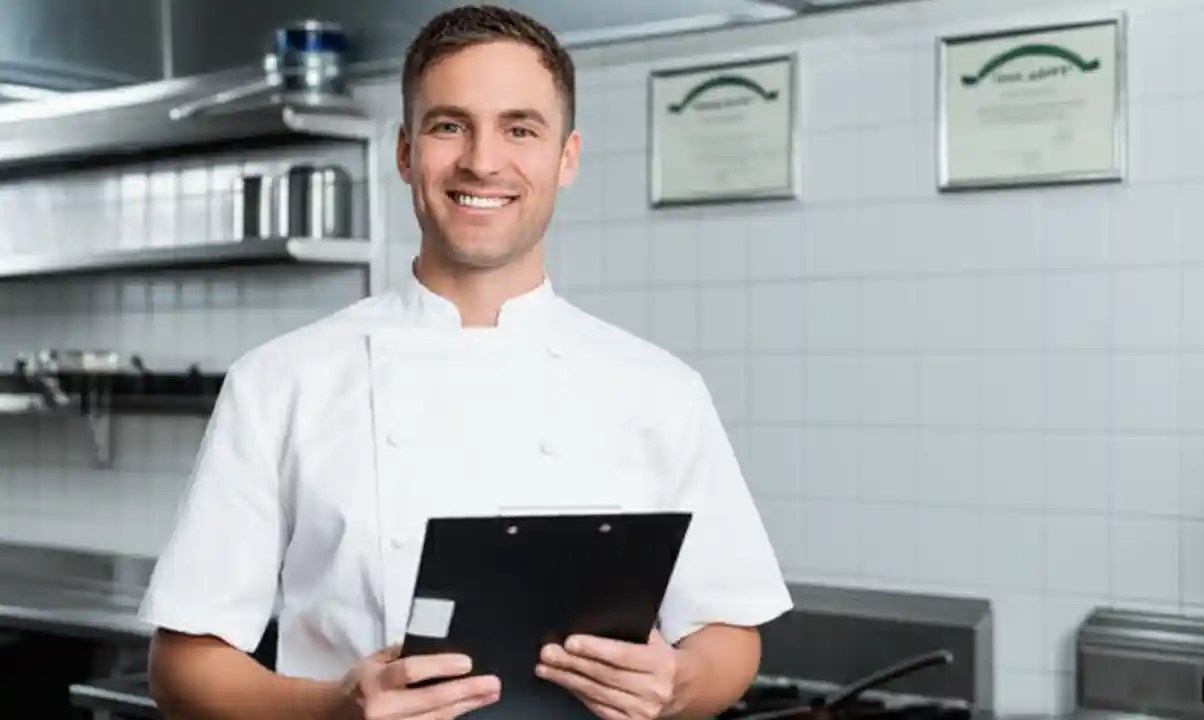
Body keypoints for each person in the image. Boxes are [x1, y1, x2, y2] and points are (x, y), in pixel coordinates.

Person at [139, 5, 791, 719]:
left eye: (520, 128)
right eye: (449, 125)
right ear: (404, 151)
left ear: (567, 157)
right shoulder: (281, 382)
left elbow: (732, 630)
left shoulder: (660, 390)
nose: (482, 161)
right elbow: (181, 668)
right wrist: (333, 711)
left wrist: (678, 687)